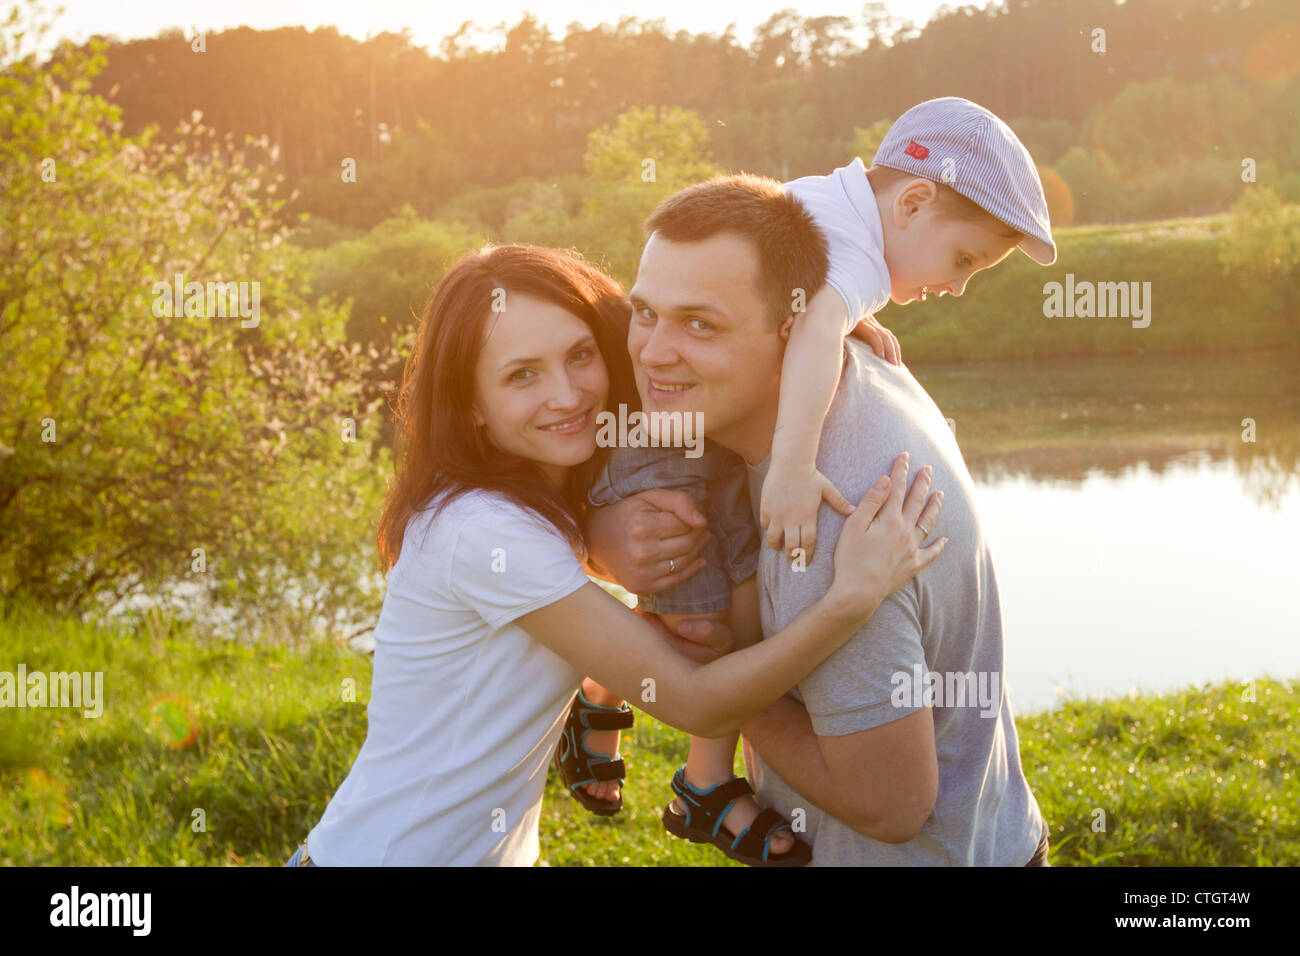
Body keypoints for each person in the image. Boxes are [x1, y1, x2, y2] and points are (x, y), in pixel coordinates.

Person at [283, 243, 946, 866]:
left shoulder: (541, 500)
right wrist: (851, 599)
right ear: (472, 407)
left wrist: (807, 336)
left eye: (579, 355)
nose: (568, 395)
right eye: (521, 376)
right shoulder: (477, 531)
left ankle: (597, 705)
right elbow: (695, 702)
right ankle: (612, 714)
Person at [578, 96, 1056, 864]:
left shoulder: (825, 518)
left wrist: (711, 663)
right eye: (646, 314)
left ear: (795, 331)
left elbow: (891, 806)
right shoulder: (846, 352)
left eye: (701, 324)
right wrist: (605, 538)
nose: (653, 355)